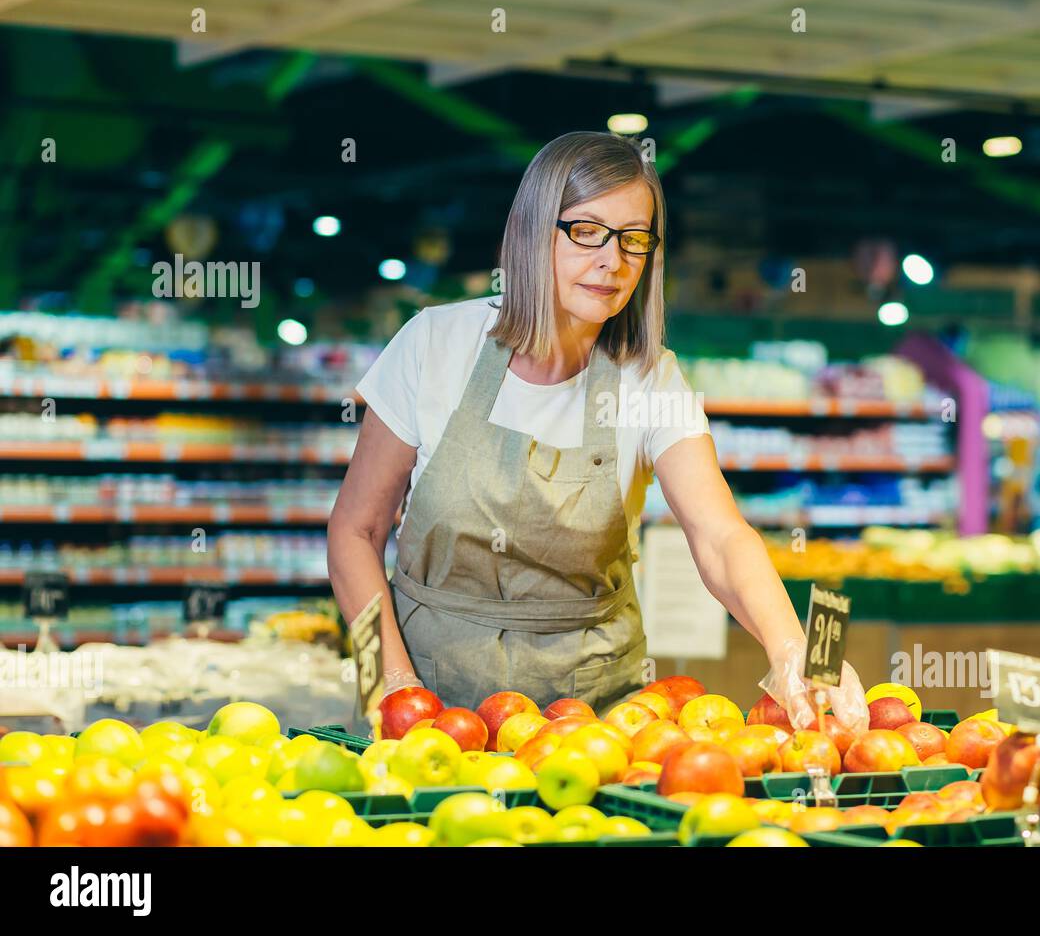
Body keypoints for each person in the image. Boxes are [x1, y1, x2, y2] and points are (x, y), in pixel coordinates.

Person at [328, 130, 866, 726]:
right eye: (586, 231)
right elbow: (355, 532)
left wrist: (795, 648)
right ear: (535, 230)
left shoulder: (649, 378)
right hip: (429, 704)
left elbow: (720, 537)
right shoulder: (435, 344)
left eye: (634, 239)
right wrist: (390, 688)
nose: (612, 261)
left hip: (597, 724)